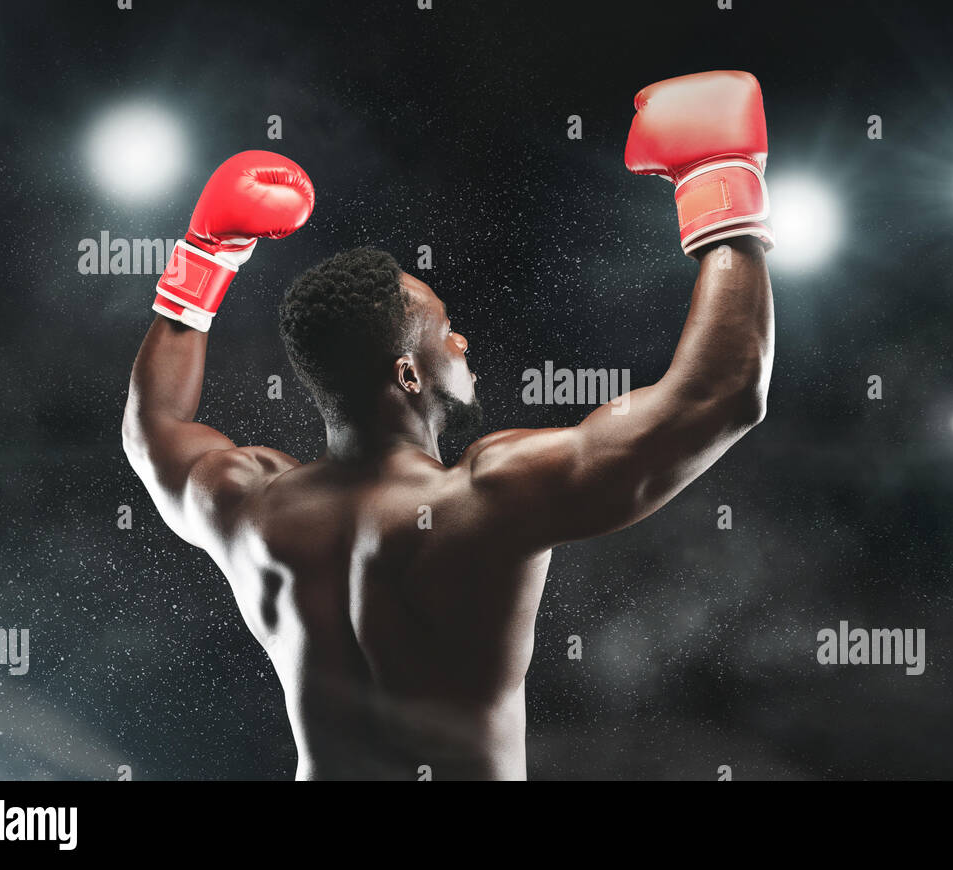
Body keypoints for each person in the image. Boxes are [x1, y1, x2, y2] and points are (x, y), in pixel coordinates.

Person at [122, 70, 775, 780]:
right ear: (407, 375)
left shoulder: (249, 503)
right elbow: (721, 394)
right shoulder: (487, 495)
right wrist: (720, 185)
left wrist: (206, 257)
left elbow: (152, 428)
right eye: (447, 332)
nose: (463, 344)